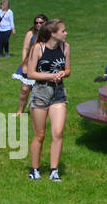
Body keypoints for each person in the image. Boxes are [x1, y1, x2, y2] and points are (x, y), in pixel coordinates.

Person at [26, 19, 72, 182]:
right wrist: (51, 76)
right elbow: (30, 74)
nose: (66, 33)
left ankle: (54, 170)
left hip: (59, 93)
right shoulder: (38, 48)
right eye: (63, 31)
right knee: (40, 134)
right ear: (53, 34)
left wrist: (62, 74)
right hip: (41, 92)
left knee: (58, 133)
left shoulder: (65, 47)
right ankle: (34, 169)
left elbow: (68, 70)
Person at [13, 13, 49, 114]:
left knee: (40, 91)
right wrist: (24, 63)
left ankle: (38, 111)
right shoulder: (31, 33)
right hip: (29, 63)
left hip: (42, 65)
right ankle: (20, 111)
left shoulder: (50, 34)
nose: (38, 24)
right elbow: (25, 48)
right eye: (36, 22)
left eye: (41, 22)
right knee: (24, 89)